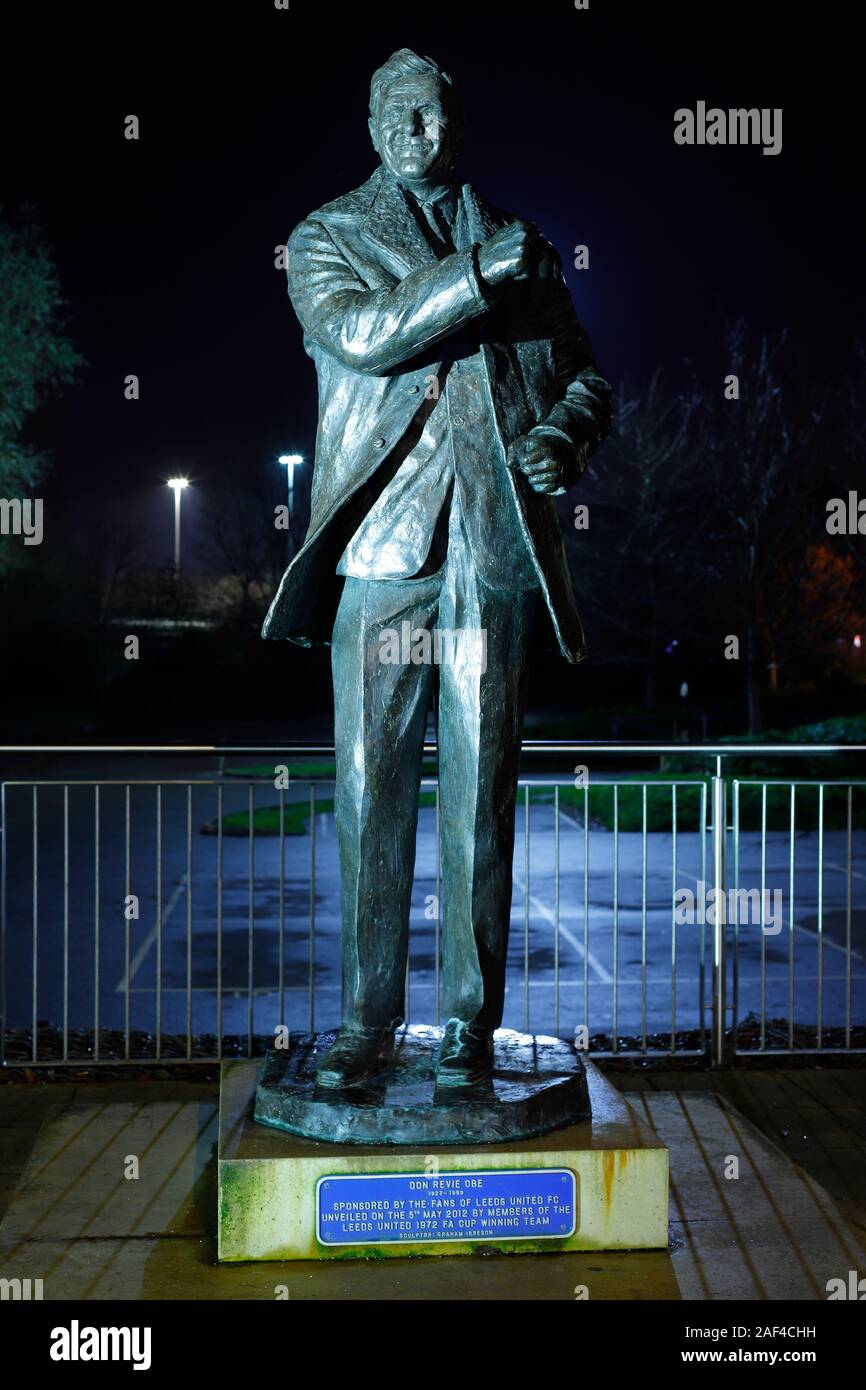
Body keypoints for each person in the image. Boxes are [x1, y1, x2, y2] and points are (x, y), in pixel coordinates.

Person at [262, 48, 611, 1088]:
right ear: (373, 124)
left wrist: (562, 436)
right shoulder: (327, 236)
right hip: (383, 551)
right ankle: (367, 1024)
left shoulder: (513, 240)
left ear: (457, 124)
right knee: (369, 787)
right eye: (403, 114)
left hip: (489, 553)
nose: (422, 131)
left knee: (480, 791)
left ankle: (470, 1023)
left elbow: (584, 373)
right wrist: (472, 278)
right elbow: (363, 336)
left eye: (437, 113)